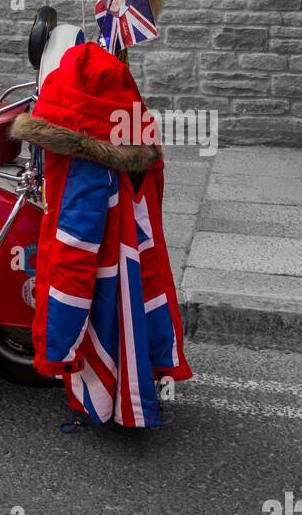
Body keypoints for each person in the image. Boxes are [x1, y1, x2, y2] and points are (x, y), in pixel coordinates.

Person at [13, 40, 191, 429]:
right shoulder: (127, 138)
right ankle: (135, 383)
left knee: (104, 319)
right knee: (132, 311)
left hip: (104, 268)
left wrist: (59, 340)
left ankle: (105, 402)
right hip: (130, 253)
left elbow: (75, 248)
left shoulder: (84, 165)